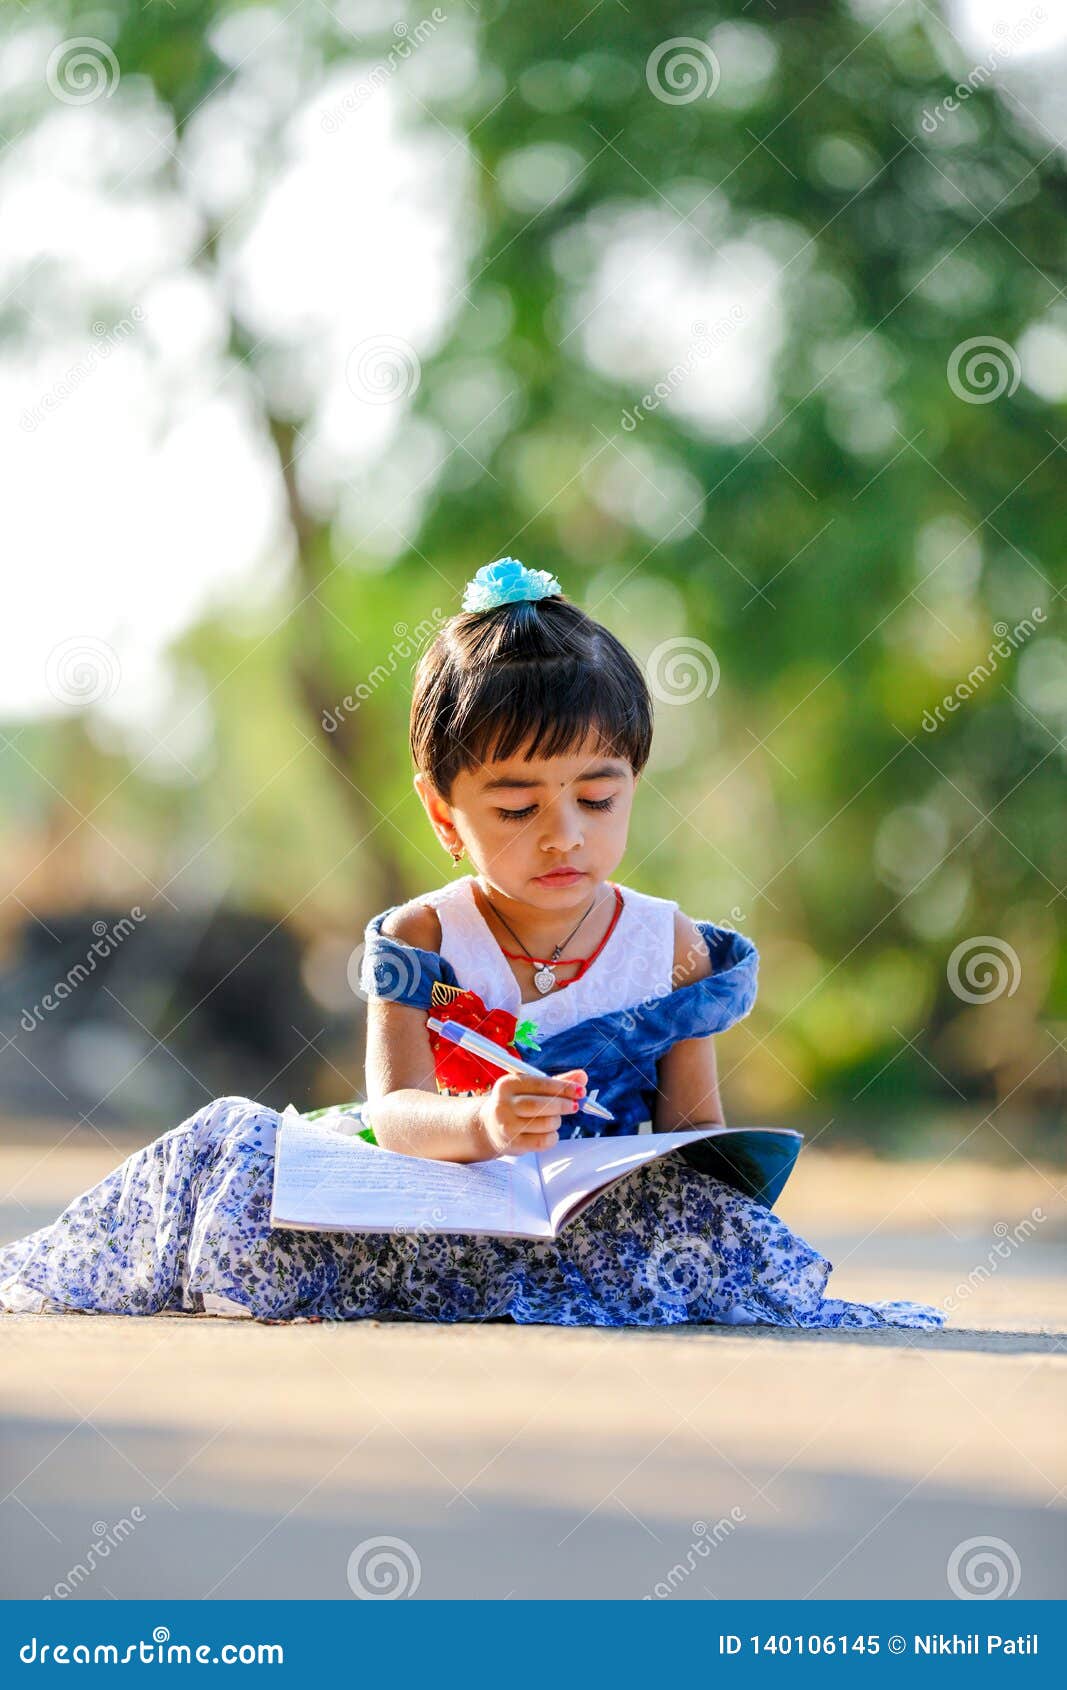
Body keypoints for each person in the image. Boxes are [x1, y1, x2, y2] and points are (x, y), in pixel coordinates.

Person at [0, 559, 944, 1330]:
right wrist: (485, 1127)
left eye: (597, 797)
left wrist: (660, 1176)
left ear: (634, 784)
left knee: (717, 1241)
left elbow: (693, 1131)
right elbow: (396, 1108)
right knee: (240, 1157)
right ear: (442, 809)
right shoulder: (422, 934)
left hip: (589, 1220)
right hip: (439, 1195)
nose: (564, 834)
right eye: (517, 805)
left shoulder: (671, 946)